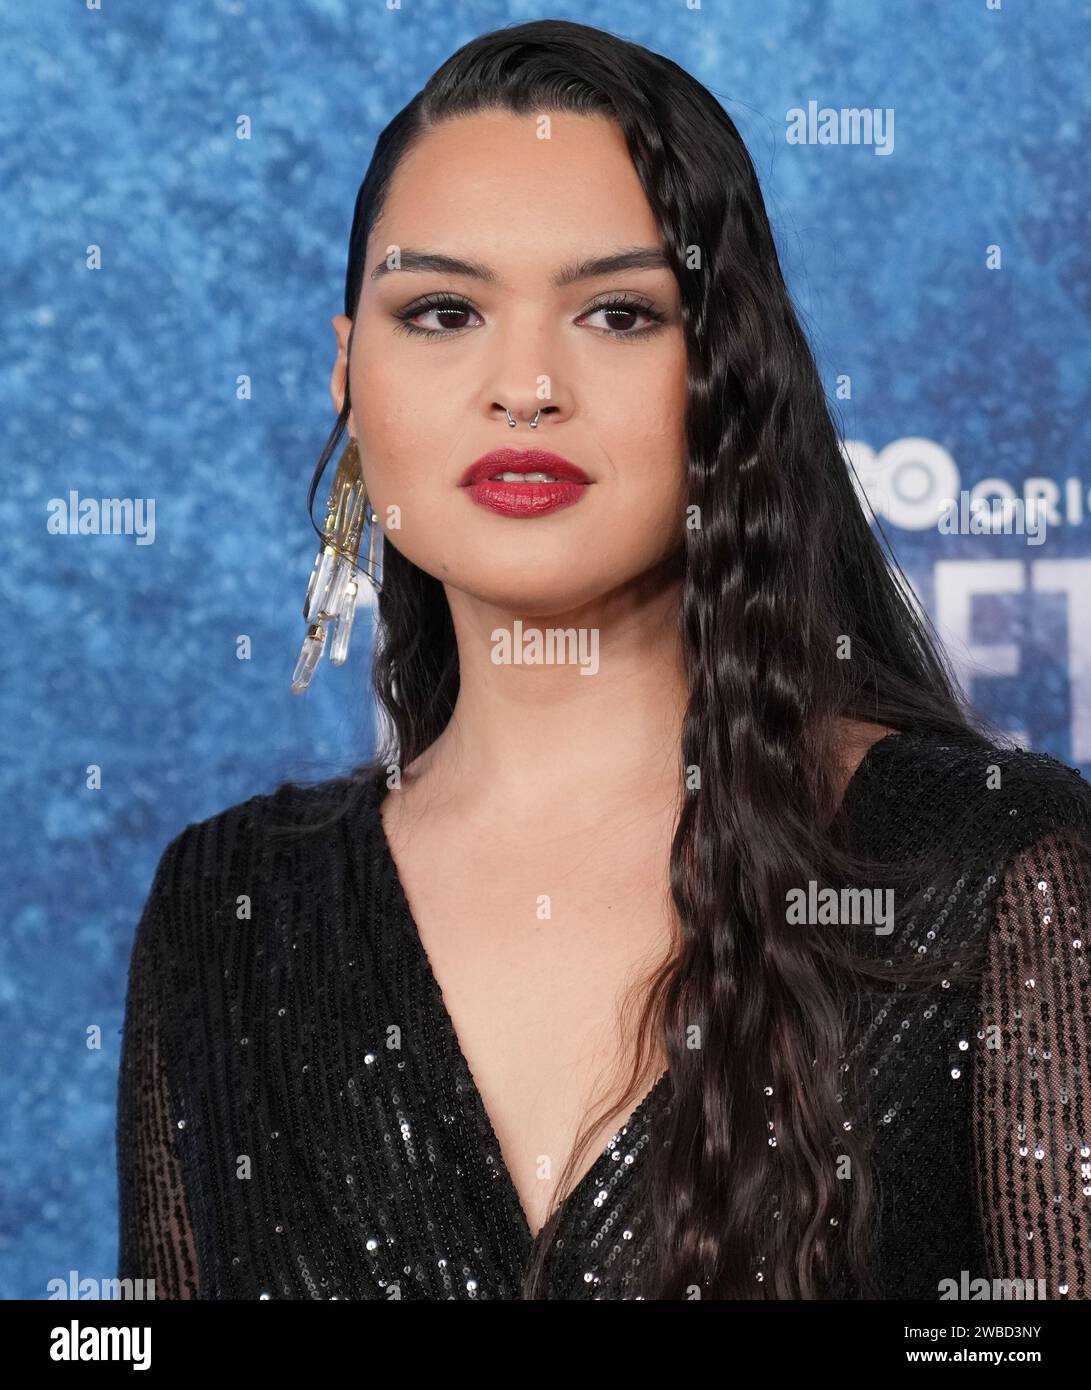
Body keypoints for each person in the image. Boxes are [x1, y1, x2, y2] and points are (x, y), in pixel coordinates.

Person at [116, 19, 1091, 1300]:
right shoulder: (223, 914)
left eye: (620, 311)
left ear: (727, 377)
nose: (524, 384)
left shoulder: (994, 870)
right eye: (444, 310)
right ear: (350, 373)